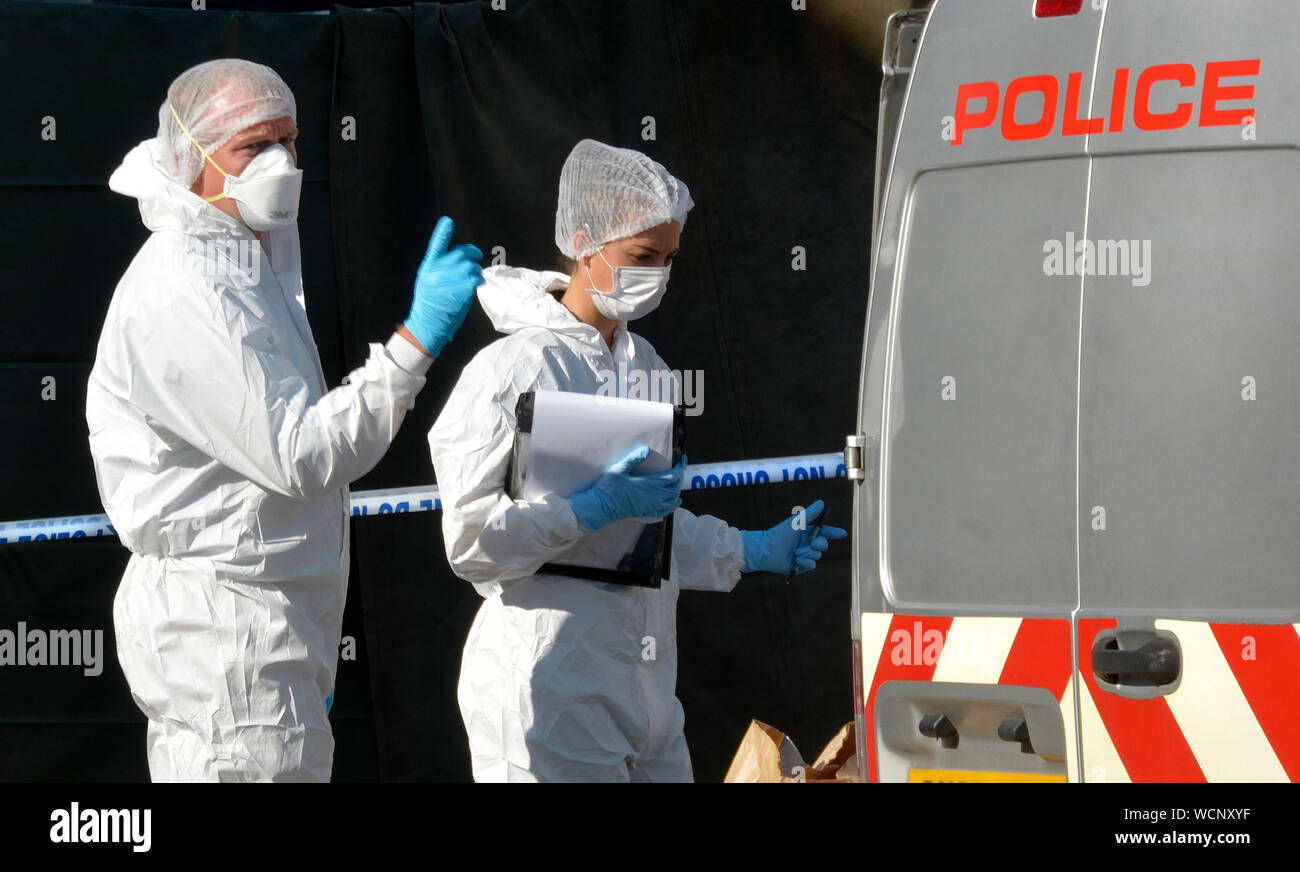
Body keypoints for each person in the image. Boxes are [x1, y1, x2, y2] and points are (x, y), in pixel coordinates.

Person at [85, 58, 483, 782]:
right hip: (228, 639)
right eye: (253, 144)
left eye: (289, 139)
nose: (281, 161)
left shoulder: (240, 261)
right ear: (192, 158)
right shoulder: (189, 285)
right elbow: (300, 455)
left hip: (257, 633)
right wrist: (414, 344)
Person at [427, 139, 847, 782]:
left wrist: (750, 549)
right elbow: (471, 544)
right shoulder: (514, 368)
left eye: (669, 258)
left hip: (643, 684)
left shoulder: (647, 367)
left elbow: (646, 537)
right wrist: (586, 510)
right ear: (583, 242)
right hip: (547, 682)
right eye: (643, 256)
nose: (658, 274)